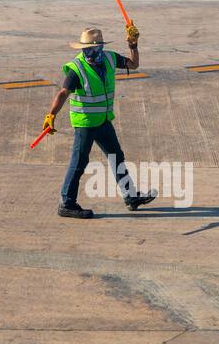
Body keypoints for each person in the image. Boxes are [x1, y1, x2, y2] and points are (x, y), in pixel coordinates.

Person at [45, 26, 157, 220]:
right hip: (85, 123)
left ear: (98, 47)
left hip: (103, 120)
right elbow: (63, 92)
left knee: (116, 156)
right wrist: (51, 115)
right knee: (79, 162)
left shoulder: (109, 58)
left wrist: (133, 45)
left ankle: (130, 197)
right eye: (85, 48)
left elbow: (134, 64)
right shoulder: (77, 68)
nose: (87, 52)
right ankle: (67, 203)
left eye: (90, 48)